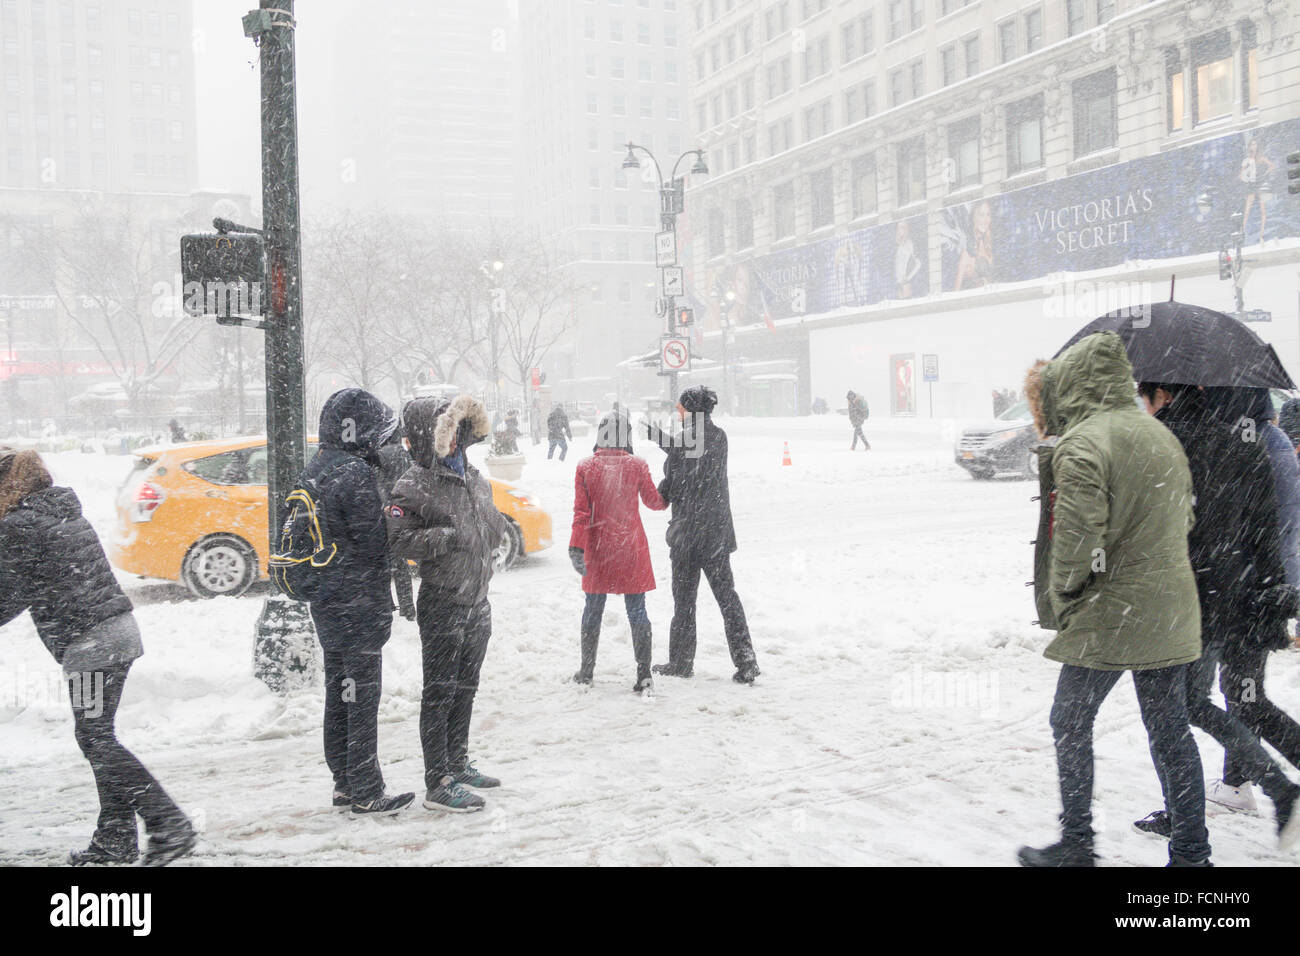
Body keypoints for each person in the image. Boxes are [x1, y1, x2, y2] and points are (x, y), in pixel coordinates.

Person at [1018, 333, 1211, 867]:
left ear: (1070, 388)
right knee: (1170, 730)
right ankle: (1193, 857)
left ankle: (1078, 843)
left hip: (1111, 609)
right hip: (1172, 604)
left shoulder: (1084, 443)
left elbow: (1077, 541)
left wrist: (1067, 594)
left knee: (1069, 720)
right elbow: (1186, 518)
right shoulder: (1158, 434)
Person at [0, 447, 196, 866]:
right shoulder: (61, 511)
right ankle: (116, 838)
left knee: (95, 739)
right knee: (99, 737)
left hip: (92, 646)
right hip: (115, 633)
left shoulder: (20, 525)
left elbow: (8, 594)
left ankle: (168, 824)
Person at [1129, 383, 1300, 849]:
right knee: (1222, 702)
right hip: (1241, 598)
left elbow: (1161, 530)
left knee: (1185, 707)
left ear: (1162, 393)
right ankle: (1251, 792)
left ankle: (1203, 816)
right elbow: (1271, 528)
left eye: (1147, 396)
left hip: (1191, 602)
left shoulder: (1168, 441)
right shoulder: (1246, 442)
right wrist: (1275, 595)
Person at [387, 394, 505, 813]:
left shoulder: (474, 477)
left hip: (478, 600)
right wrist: (443, 538)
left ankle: (458, 761)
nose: (455, 438)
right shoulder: (413, 484)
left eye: (460, 429)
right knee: (439, 693)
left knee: (466, 688)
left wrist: (495, 528)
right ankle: (438, 781)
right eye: (447, 429)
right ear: (429, 435)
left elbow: (488, 524)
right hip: (443, 602)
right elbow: (396, 540)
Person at [300, 388, 414, 816]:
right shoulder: (357, 475)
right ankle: (366, 786)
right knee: (361, 698)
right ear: (361, 432)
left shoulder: (317, 468)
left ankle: (344, 782)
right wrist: (393, 516)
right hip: (359, 602)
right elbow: (374, 541)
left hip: (328, 602)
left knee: (339, 692)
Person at [647, 386, 760, 683]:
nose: (677, 411)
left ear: (691, 411)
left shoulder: (686, 443)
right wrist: (663, 442)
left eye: (681, 407)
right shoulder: (719, 437)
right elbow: (692, 454)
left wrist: (659, 481)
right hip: (715, 534)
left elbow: (672, 483)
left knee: (684, 601)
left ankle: (681, 661)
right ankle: (746, 660)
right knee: (727, 598)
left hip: (687, 537)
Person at [569, 412, 667, 691]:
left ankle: (587, 671)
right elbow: (655, 502)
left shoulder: (586, 467)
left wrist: (576, 546)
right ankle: (644, 674)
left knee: (592, 610)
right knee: (637, 611)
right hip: (630, 548)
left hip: (598, 551)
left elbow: (581, 514)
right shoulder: (637, 465)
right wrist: (670, 486)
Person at [375, 422, 416, 622]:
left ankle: (388, 604)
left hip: (384, 513)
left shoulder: (379, 455)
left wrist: (383, 504)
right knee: (401, 565)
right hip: (401, 512)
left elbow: (378, 483)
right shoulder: (403, 454)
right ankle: (407, 607)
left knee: (384, 563)